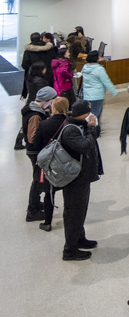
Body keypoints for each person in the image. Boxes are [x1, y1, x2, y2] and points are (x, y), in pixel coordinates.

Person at [60, 99, 103, 261]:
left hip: (82, 176)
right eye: (89, 112)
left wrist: (93, 126)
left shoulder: (80, 124)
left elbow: (94, 136)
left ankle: (79, 238)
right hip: (74, 179)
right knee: (73, 213)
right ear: (82, 114)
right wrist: (91, 127)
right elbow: (86, 145)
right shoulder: (70, 130)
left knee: (80, 210)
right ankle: (69, 250)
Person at [35, 96, 70, 232]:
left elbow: (36, 143)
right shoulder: (69, 124)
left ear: (54, 108)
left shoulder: (44, 124)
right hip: (67, 163)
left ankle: (47, 222)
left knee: (49, 193)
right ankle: (69, 219)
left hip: (50, 164)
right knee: (68, 192)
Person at [24, 86, 57, 222]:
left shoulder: (33, 110)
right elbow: (33, 137)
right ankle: (32, 210)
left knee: (37, 178)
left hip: (35, 151)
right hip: (36, 151)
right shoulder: (35, 115)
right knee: (38, 180)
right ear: (47, 100)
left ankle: (36, 203)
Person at [81, 50, 117, 132]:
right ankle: (94, 131)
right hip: (97, 95)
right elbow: (106, 81)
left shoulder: (85, 67)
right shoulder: (99, 69)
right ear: (97, 59)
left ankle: (95, 129)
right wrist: (113, 91)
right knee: (96, 114)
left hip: (87, 94)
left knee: (89, 113)